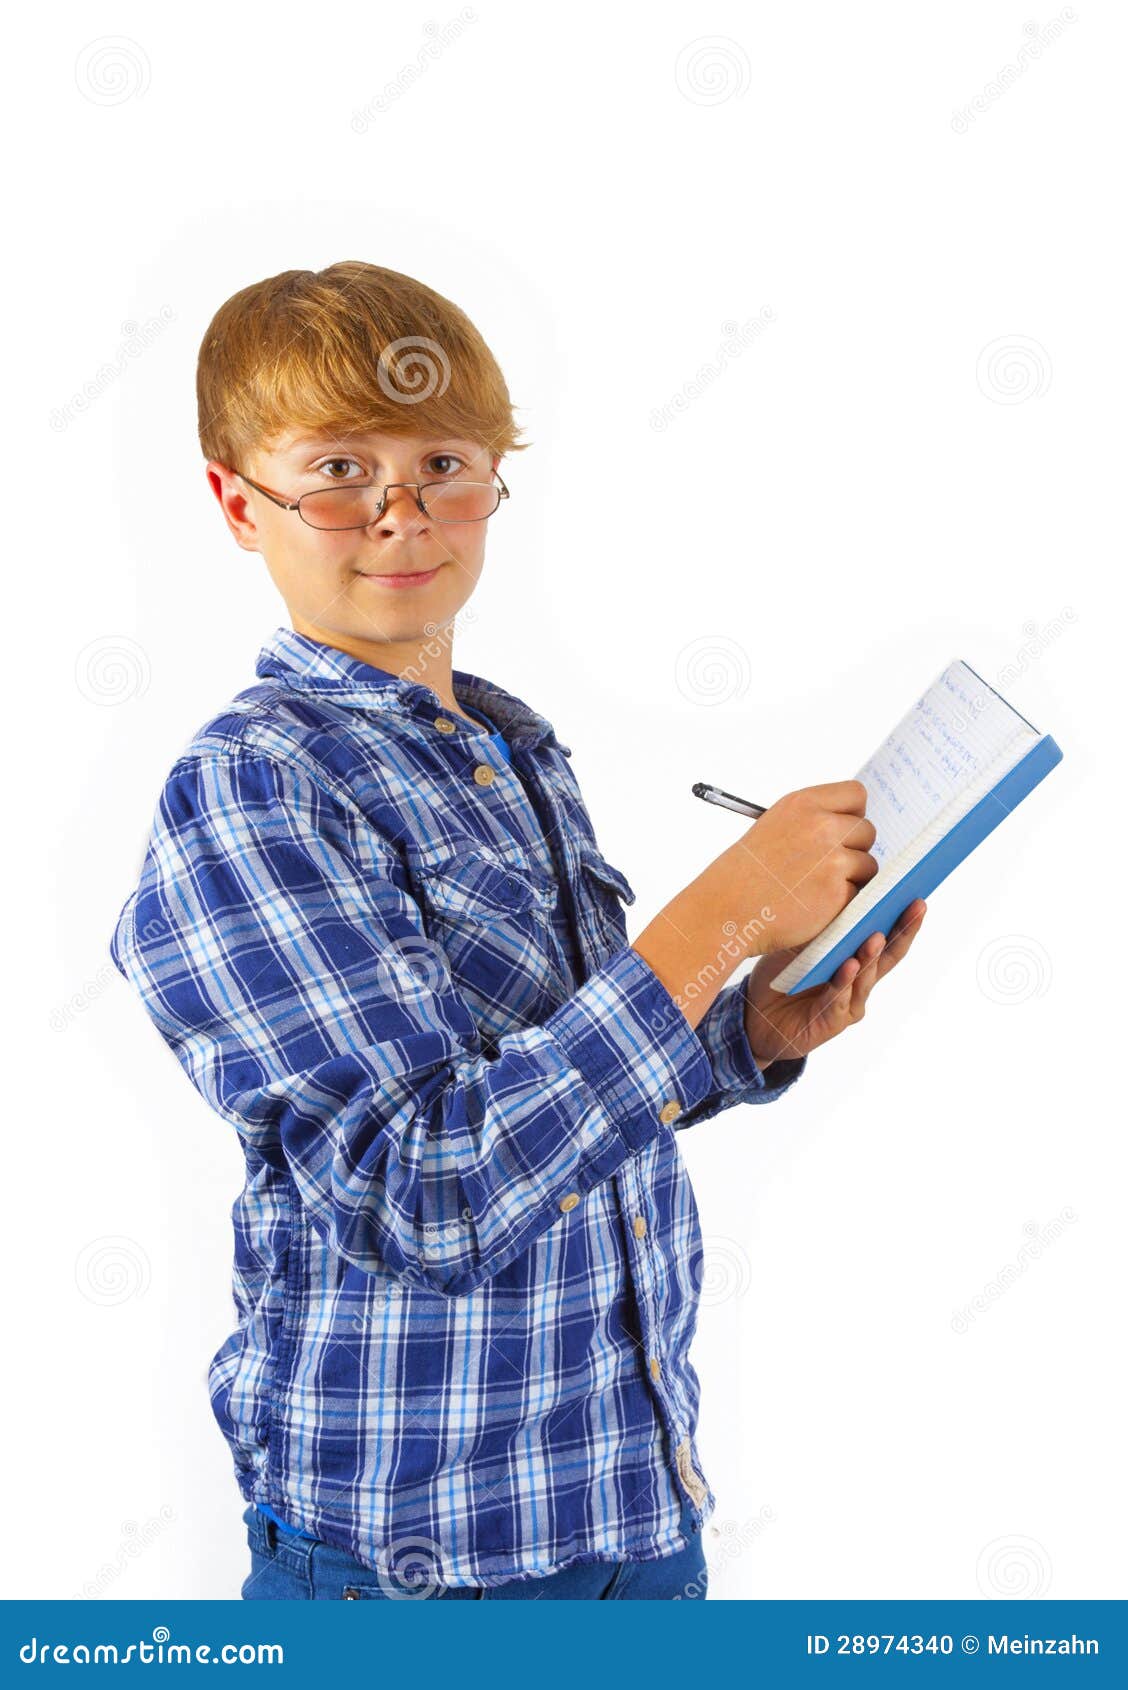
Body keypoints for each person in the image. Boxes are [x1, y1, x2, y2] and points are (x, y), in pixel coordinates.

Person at [108, 260, 926, 1601]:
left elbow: (553, 1094)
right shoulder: (255, 787)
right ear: (238, 504)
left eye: (442, 464)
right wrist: (720, 910)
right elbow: (426, 1188)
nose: (401, 514)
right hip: (421, 1575)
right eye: (338, 471)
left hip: (633, 1505)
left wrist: (747, 1027)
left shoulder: (511, 748)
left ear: (495, 478)